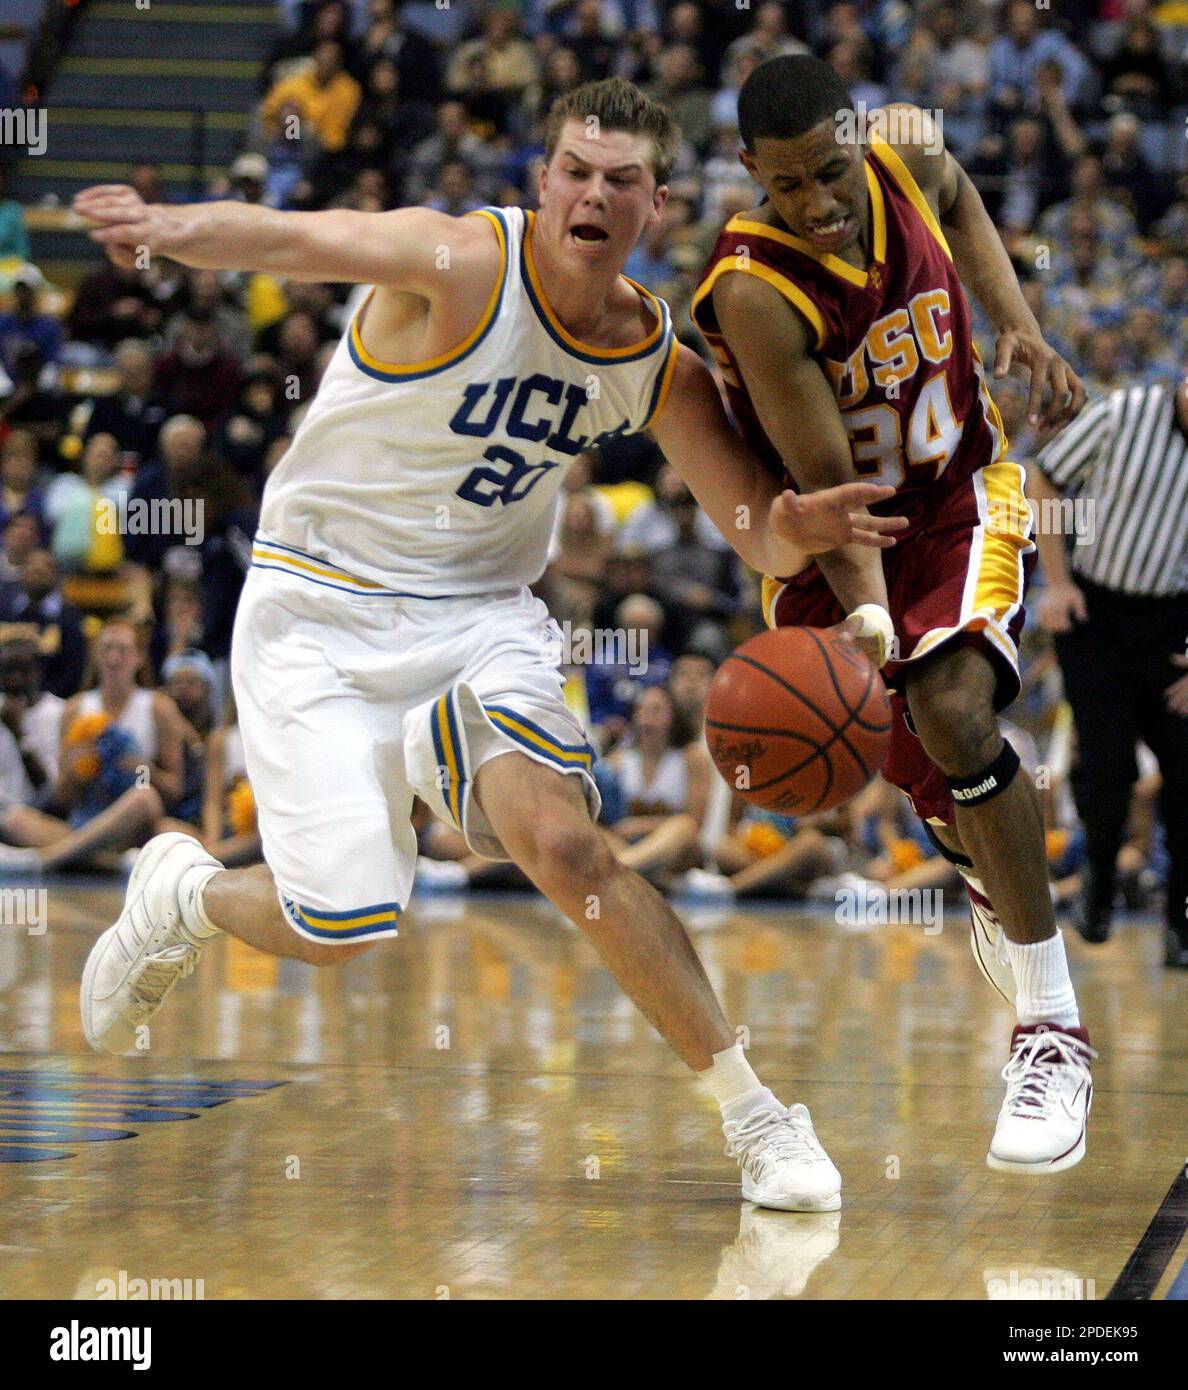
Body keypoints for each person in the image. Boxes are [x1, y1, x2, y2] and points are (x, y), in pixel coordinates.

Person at [72, 77, 905, 1214]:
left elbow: (751, 528)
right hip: (317, 604)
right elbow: (299, 237)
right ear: (543, 181)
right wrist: (168, 229)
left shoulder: (652, 357)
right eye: (575, 169)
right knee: (344, 922)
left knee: (564, 848)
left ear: (654, 205)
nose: (593, 194)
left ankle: (755, 1112)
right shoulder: (463, 262)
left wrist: (791, 526)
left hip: (479, 614)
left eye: (621, 180)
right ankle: (181, 895)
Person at [690, 55, 1093, 1174]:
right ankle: (980, 874)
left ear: (860, 138)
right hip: (837, 533)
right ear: (748, 173)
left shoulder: (908, 154)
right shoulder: (754, 291)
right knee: (920, 744)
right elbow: (832, 487)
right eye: (785, 188)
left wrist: (1018, 323)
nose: (813, 204)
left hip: (960, 493)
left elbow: (959, 196)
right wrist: (873, 627)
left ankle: (1051, 1026)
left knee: (955, 711)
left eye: (828, 173)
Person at [1028, 373, 1188, 969]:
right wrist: (1059, 579)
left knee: (1184, 772)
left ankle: (1181, 921)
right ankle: (1097, 874)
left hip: (1176, 620)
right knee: (1107, 765)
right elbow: (1042, 480)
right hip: (1095, 609)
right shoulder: (1123, 412)